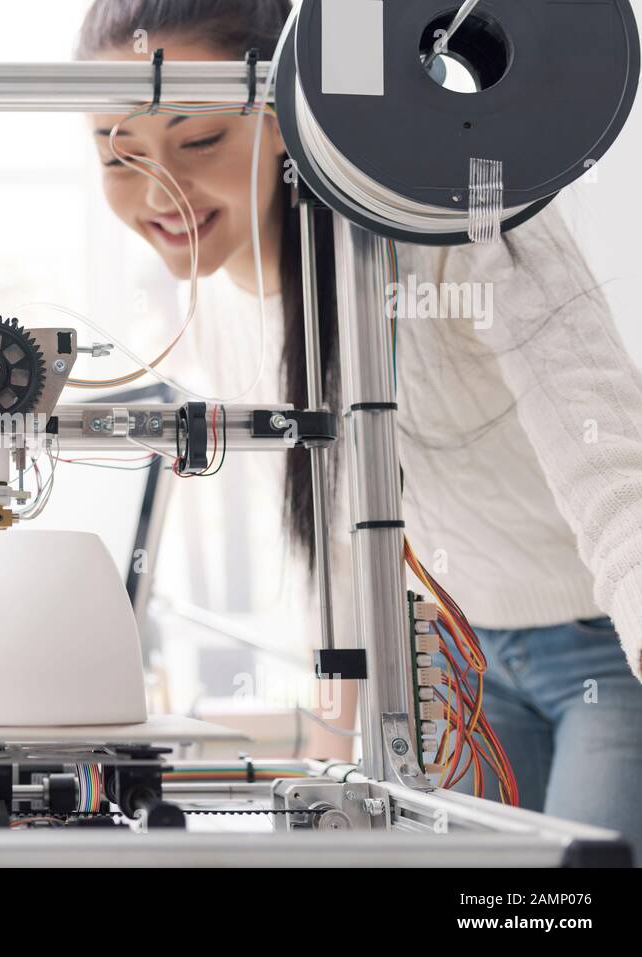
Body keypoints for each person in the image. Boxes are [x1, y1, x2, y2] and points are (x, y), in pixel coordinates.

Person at [76, 0, 642, 854]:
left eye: (199, 143)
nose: (162, 190)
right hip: (454, 662)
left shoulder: (457, 205)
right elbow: (337, 548)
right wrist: (328, 773)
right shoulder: (221, 314)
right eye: (120, 153)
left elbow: (613, 465)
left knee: (564, 899)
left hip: (604, 648)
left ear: (284, 118)